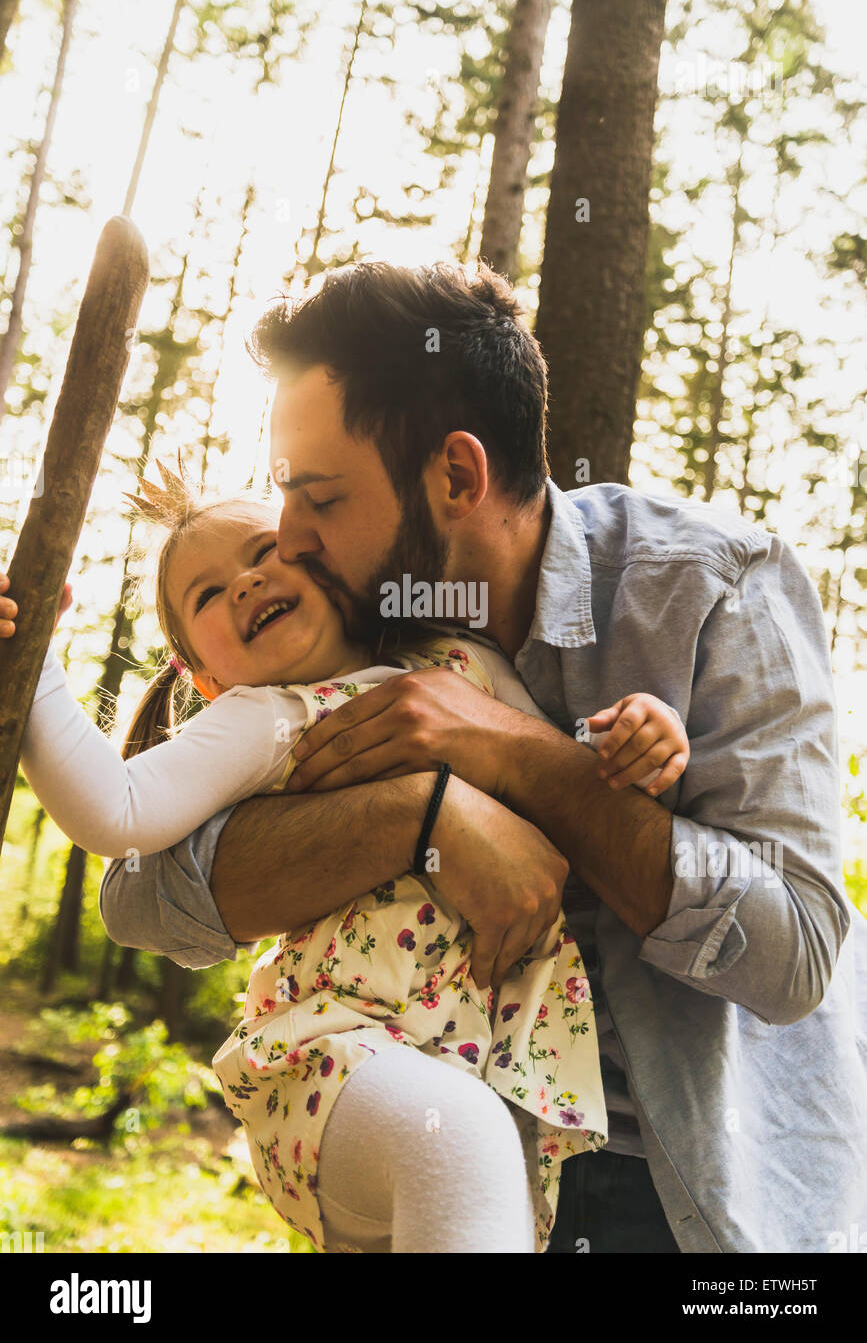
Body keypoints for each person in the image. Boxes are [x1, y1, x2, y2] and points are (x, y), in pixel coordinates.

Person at [31, 260, 867, 1253]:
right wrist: (420, 815)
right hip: (446, 1142)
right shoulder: (329, 653)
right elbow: (144, 894)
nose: (287, 539)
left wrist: (521, 761)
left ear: (458, 477)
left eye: (319, 500)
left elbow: (798, 953)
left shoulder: (711, 590)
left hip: (691, 1196)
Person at [4, 463, 690, 1253]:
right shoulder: (262, 718)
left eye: (265, 551)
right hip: (337, 1052)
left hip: (497, 1060)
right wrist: (36, 662)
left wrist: (645, 730)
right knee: (458, 1136)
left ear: (329, 563)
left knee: (476, 1167)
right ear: (206, 676)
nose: (245, 582)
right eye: (206, 595)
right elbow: (114, 810)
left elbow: (562, 776)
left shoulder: (462, 668)